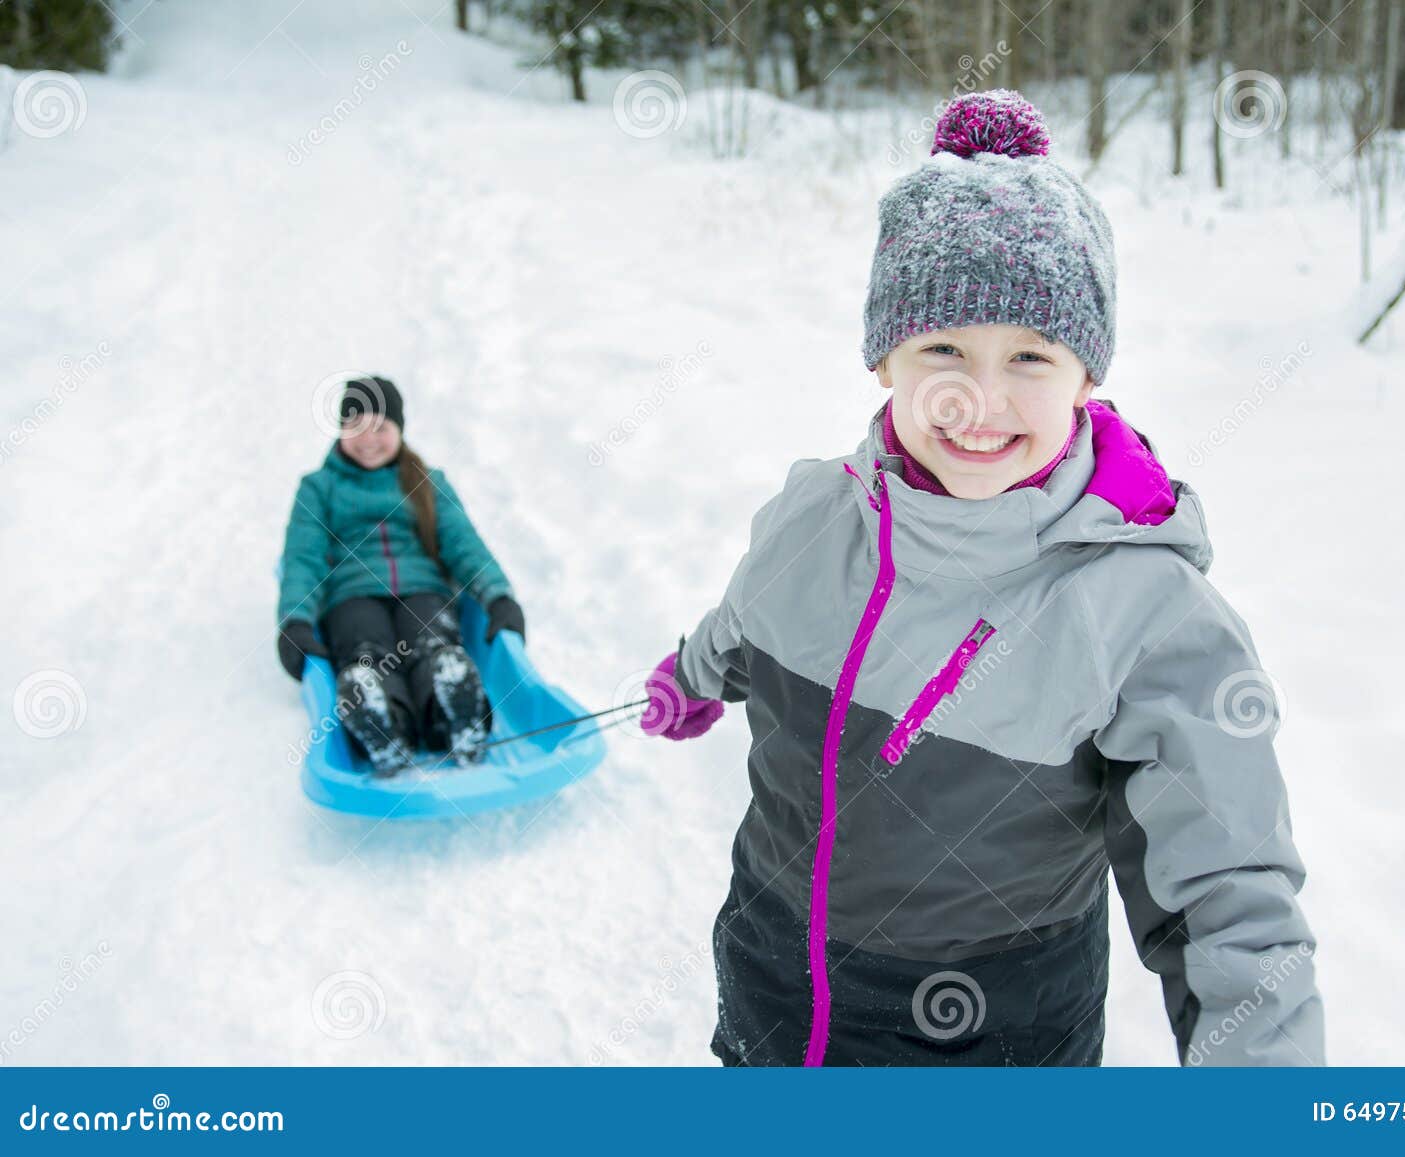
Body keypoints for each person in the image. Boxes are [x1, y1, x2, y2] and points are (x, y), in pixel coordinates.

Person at [639, 91, 1324, 1067]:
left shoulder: (1144, 611)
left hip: (994, 1029)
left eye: (1031, 356)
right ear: (885, 359)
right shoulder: (813, 514)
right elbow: (748, 619)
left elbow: (1229, 897)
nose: (979, 397)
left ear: (1086, 377)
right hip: (772, 976)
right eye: (944, 348)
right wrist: (692, 675)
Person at [275, 376, 525, 776]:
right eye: (356, 426)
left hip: (422, 588)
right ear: (340, 429)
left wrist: (498, 596)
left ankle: (455, 717)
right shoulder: (319, 488)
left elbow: (463, 543)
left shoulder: (426, 481)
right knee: (366, 653)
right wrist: (296, 622)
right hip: (351, 595)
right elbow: (303, 559)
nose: (368, 438)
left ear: (400, 430)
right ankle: (385, 725)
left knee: (432, 645)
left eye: (381, 427)